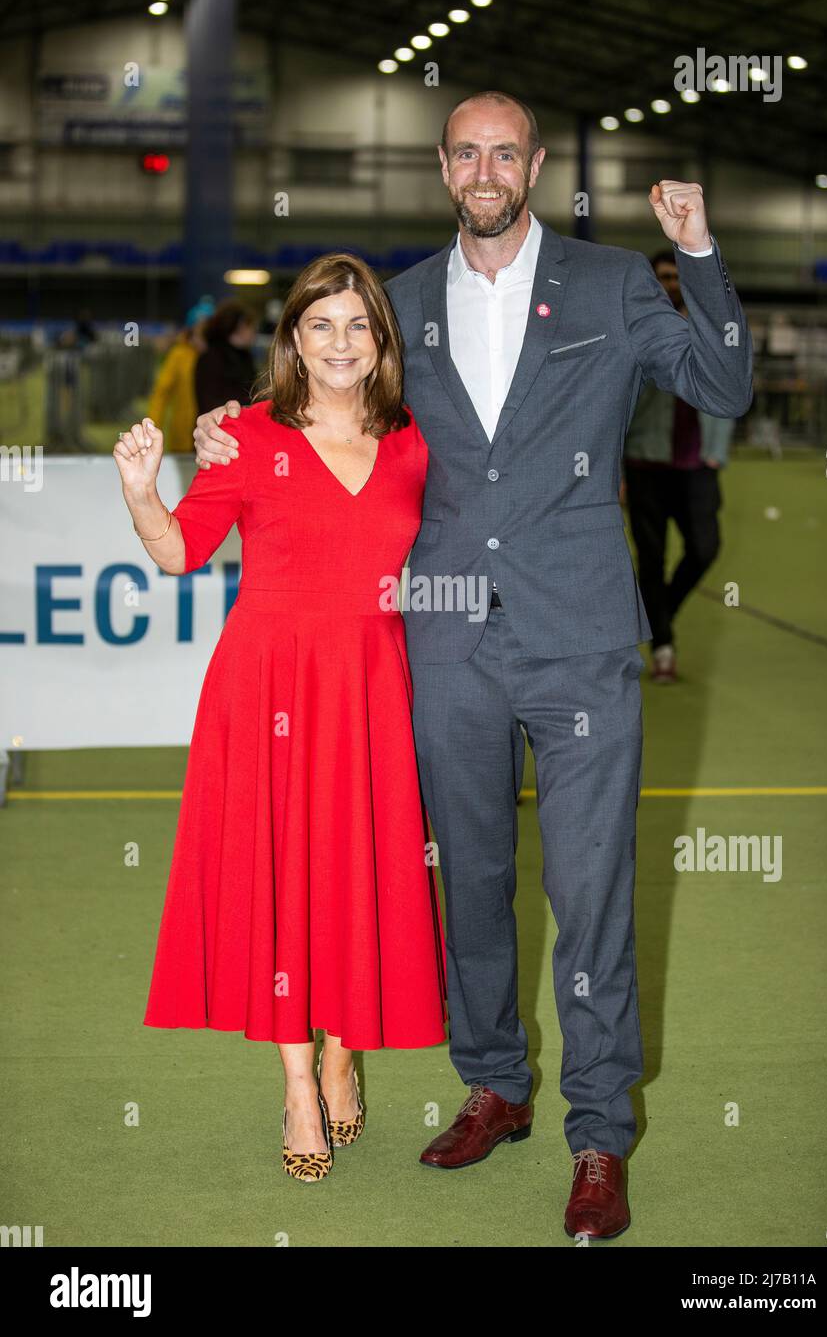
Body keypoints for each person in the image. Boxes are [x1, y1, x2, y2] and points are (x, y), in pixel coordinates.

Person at [193, 91, 753, 1238]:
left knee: (590, 893)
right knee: (472, 886)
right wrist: (227, 433)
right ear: (445, 169)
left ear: (535, 164)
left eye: (506, 151)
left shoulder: (605, 283)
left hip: (583, 635)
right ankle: (494, 1082)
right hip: (443, 640)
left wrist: (695, 251)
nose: (486, 168)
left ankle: (596, 1136)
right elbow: (321, 410)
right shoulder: (395, 307)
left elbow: (723, 385)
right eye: (466, 152)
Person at [113, 254, 447, 1184]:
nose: (340, 344)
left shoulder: (417, 439)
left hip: (374, 684)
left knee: (355, 872)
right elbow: (181, 554)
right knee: (281, 883)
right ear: (292, 338)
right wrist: (144, 490)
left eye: (357, 326)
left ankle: (346, 1051)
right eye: (319, 326)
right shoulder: (247, 437)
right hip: (265, 687)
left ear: (380, 337)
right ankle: (299, 1083)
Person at [623, 251, 738, 682]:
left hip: (697, 462)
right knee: (651, 558)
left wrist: (718, 450)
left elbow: (729, 386)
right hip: (645, 460)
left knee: (705, 548)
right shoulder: (634, 328)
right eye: (663, 276)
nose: (670, 282)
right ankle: (665, 647)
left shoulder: (705, 328)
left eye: (675, 275)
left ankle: (659, 615)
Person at [147, 310, 207, 452]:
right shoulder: (178, 355)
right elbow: (161, 393)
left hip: (210, 437)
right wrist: (152, 428)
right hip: (183, 437)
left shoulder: (215, 357)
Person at [193, 300, 258, 416]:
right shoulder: (211, 358)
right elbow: (209, 402)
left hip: (240, 426)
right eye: (250, 326)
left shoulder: (245, 357)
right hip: (219, 427)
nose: (253, 332)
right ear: (239, 326)